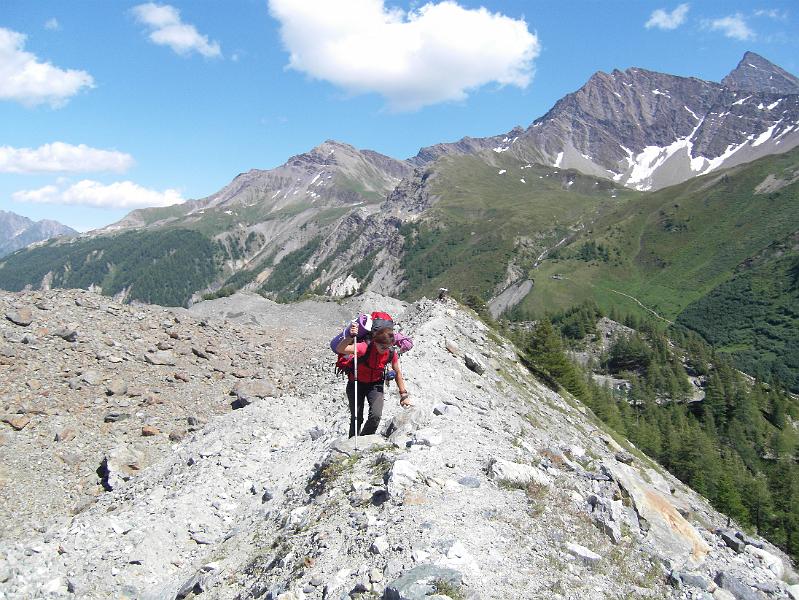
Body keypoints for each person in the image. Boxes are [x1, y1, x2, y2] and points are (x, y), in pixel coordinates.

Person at [335, 313, 410, 438]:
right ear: (375, 342)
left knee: (376, 416)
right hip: (356, 383)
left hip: (376, 383)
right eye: (382, 346)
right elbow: (341, 349)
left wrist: (403, 395)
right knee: (356, 418)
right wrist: (349, 335)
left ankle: (365, 441)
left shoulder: (391, 352)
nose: (384, 349)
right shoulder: (364, 347)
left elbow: (397, 372)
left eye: (387, 347)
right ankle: (352, 443)